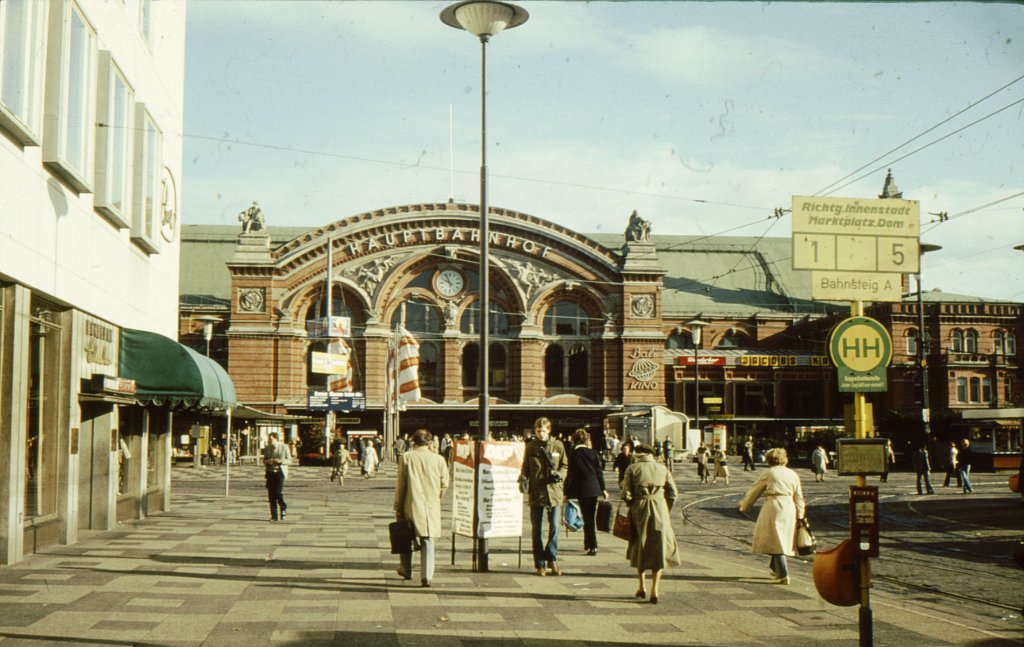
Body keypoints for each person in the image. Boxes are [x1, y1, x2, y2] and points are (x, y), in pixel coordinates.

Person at [621, 443, 681, 603]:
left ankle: (642, 586)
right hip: (660, 508)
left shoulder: (632, 469)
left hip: (639, 509)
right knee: (658, 547)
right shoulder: (663, 469)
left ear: (639, 454)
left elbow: (625, 494)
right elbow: (674, 494)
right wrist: (665, 507)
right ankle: (655, 589)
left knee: (640, 545)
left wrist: (632, 504)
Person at [738, 448, 805, 586]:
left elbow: (755, 490)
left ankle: (783, 574)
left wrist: (744, 505)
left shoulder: (769, 473)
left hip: (773, 505)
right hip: (789, 506)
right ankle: (774, 568)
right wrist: (800, 514)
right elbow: (799, 496)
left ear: (768, 460)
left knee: (774, 539)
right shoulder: (793, 474)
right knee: (779, 538)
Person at [394, 429, 450, 587]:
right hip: (431, 505)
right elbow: (445, 482)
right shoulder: (439, 459)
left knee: (406, 537)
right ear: (430, 442)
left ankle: (406, 569)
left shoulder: (406, 457)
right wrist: (436, 496)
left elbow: (401, 485)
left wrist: (398, 506)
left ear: (413, 441)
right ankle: (427, 575)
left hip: (410, 504)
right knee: (428, 539)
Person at [520, 417, 568, 576]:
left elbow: (565, 465)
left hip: (554, 492)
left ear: (549, 431)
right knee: (537, 530)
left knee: (555, 527)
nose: (541, 434)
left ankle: (552, 559)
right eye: (538, 431)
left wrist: (560, 475)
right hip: (537, 492)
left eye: (543, 431)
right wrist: (522, 478)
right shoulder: (531, 446)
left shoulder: (558, 445)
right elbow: (525, 467)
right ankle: (540, 563)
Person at [564, 428, 608, 556]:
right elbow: (599, 472)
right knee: (590, 518)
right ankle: (590, 544)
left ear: (574, 441)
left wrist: (566, 492)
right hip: (593, 489)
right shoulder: (593, 453)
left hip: (581, 489)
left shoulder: (573, 454)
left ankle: (591, 544)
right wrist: (603, 489)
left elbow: (570, 475)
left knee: (586, 517)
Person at [262, 432, 292, 521]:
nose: (269, 441)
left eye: (270, 439)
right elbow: (264, 459)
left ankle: (283, 506)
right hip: (270, 472)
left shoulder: (284, 447)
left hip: (280, 472)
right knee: (271, 495)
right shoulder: (267, 448)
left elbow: (289, 460)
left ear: (276, 439)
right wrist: (268, 461)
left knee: (278, 492)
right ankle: (274, 516)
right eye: (268, 439)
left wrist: (280, 461)